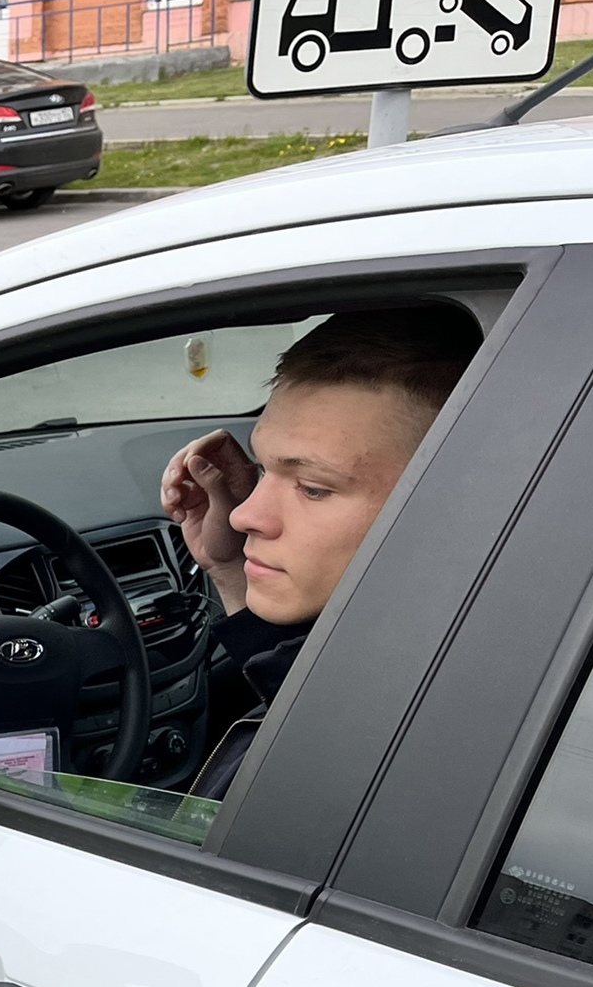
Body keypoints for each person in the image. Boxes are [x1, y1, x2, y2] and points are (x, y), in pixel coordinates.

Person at [161, 306, 483, 799]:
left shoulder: (409, 743)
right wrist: (228, 568)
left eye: (312, 488)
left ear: (453, 505)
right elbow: (295, 689)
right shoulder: (415, 660)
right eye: (265, 468)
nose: (244, 515)